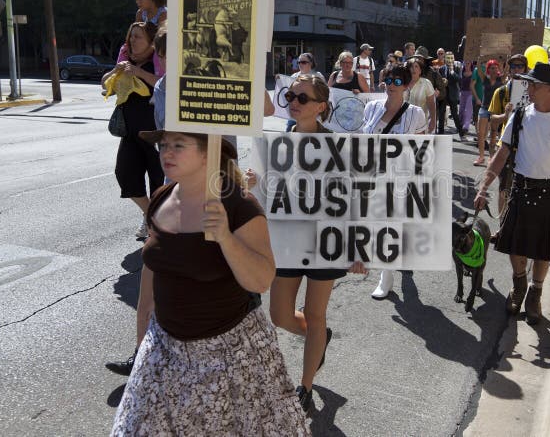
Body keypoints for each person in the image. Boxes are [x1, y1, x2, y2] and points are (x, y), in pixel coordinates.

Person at [110, 131, 310, 435]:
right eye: (163, 145)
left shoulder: (238, 205)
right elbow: (150, 284)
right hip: (163, 348)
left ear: (207, 153)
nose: (167, 152)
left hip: (228, 354)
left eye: (178, 145)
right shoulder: (161, 197)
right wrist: (142, 350)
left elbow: (261, 280)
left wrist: (225, 238)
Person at [268, 74, 367, 412]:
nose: (293, 103)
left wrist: (357, 247)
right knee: (280, 315)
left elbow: (353, 197)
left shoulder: (336, 145)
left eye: (302, 98)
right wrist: (254, 183)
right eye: (290, 96)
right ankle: (319, 336)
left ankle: (306, 386)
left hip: (327, 239)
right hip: (289, 239)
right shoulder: (281, 141)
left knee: (315, 313)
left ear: (321, 106)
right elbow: (272, 190)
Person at [474, 62, 550, 325]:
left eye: (533, 84)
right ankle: (519, 286)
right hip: (522, 190)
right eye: (529, 83)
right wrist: (483, 187)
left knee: (543, 251)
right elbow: (502, 153)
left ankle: (535, 293)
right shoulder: (520, 116)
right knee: (516, 245)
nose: (528, 88)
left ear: (549, 89)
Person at [362, 65, 427, 299]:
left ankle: (387, 274)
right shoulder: (371, 108)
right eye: (388, 80)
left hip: (400, 178)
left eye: (397, 81)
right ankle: (389, 268)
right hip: (373, 176)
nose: (391, 85)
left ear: (407, 85)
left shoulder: (416, 114)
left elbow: (421, 150)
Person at [102, 22, 163, 240]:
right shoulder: (126, 61)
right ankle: (150, 215)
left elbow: (163, 83)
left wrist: (138, 72)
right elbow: (104, 85)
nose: (132, 41)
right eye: (131, 36)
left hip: (155, 132)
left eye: (138, 37)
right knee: (125, 174)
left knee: (158, 180)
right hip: (130, 132)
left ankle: (157, 225)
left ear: (151, 42)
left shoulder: (158, 61)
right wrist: (115, 71)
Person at [487, 54, 527, 214]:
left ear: (525, 69)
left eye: (520, 66)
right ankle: (502, 222)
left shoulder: (534, 92)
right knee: (504, 187)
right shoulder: (501, 92)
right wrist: (505, 116)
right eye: (513, 66)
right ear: (509, 70)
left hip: (527, 146)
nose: (517, 69)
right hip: (506, 145)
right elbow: (492, 119)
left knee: (524, 189)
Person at [117, 0, 167, 75]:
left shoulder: (163, 14)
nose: (137, 2)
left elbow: (157, 41)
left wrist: (143, 55)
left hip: (156, 46)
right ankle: (119, 74)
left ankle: (159, 76)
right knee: (124, 48)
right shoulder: (140, 13)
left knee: (157, 54)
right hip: (143, 46)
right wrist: (131, 52)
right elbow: (133, 33)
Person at [285, 52, 325, 132]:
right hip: (295, 114)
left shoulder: (318, 76)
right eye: (299, 62)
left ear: (311, 63)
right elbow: (286, 92)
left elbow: (324, 94)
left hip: (311, 115)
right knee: (289, 135)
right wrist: (279, 80)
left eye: (303, 62)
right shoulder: (294, 76)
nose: (300, 64)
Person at [473, 59, 502, 166]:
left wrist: (507, 59)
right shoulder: (485, 78)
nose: (494, 70)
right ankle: (481, 157)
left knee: (493, 134)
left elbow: (507, 70)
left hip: (495, 110)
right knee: (481, 134)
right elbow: (479, 68)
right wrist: (480, 58)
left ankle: (491, 157)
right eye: (492, 68)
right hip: (484, 108)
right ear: (488, 69)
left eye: (496, 68)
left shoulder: (501, 78)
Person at [405, 55, 437, 134]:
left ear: (420, 70)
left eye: (416, 66)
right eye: (411, 67)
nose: (413, 69)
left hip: (420, 125)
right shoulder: (402, 83)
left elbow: (431, 104)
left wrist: (433, 121)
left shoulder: (426, 83)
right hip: (404, 123)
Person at [458, 61, 476, 140]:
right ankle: (461, 124)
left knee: (468, 110)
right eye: (465, 63)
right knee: (461, 110)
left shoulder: (473, 73)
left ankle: (466, 127)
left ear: (471, 64)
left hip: (470, 93)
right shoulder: (461, 72)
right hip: (462, 92)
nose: (467, 65)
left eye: (468, 63)